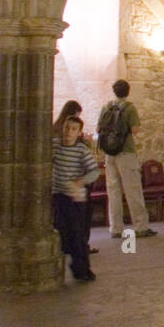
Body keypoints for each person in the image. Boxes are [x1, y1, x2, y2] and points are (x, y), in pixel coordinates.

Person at [98, 79, 156, 239]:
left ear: (114, 91)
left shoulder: (106, 107)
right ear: (128, 91)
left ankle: (116, 228)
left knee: (113, 191)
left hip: (110, 154)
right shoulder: (130, 108)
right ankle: (140, 226)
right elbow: (135, 130)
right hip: (126, 152)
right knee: (133, 190)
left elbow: (98, 128)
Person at [52, 116, 99, 282]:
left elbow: (94, 171)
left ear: (79, 133)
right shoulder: (55, 146)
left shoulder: (81, 151)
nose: (68, 132)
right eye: (66, 128)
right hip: (58, 195)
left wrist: (80, 182)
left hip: (75, 198)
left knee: (77, 234)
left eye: (73, 129)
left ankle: (83, 270)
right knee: (61, 232)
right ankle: (67, 264)